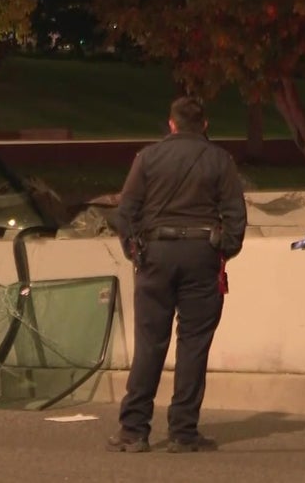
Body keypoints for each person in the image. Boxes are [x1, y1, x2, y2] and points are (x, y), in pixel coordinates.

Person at [107, 96, 247, 453]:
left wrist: (134, 249)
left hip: (155, 254)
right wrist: (223, 249)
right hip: (202, 253)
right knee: (194, 343)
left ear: (170, 124)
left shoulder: (148, 158)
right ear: (205, 124)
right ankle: (183, 431)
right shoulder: (220, 160)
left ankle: (134, 429)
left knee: (150, 342)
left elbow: (125, 212)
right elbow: (235, 213)